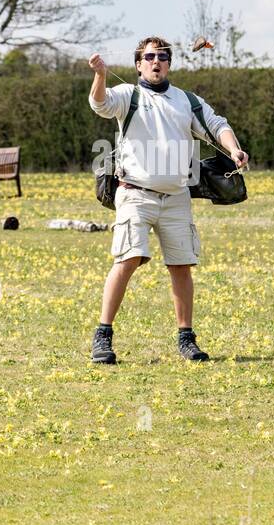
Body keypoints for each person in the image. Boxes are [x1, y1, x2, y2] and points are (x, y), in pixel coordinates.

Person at [87, 36, 248, 364]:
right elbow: (100, 104)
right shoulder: (127, 95)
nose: (156, 61)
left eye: (162, 57)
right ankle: (103, 336)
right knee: (128, 259)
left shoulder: (186, 100)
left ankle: (186, 339)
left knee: (181, 265)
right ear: (138, 64)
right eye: (149, 57)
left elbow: (217, 125)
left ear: (169, 64)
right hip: (134, 193)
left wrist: (233, 149)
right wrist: (101, 75)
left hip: (177, 196)